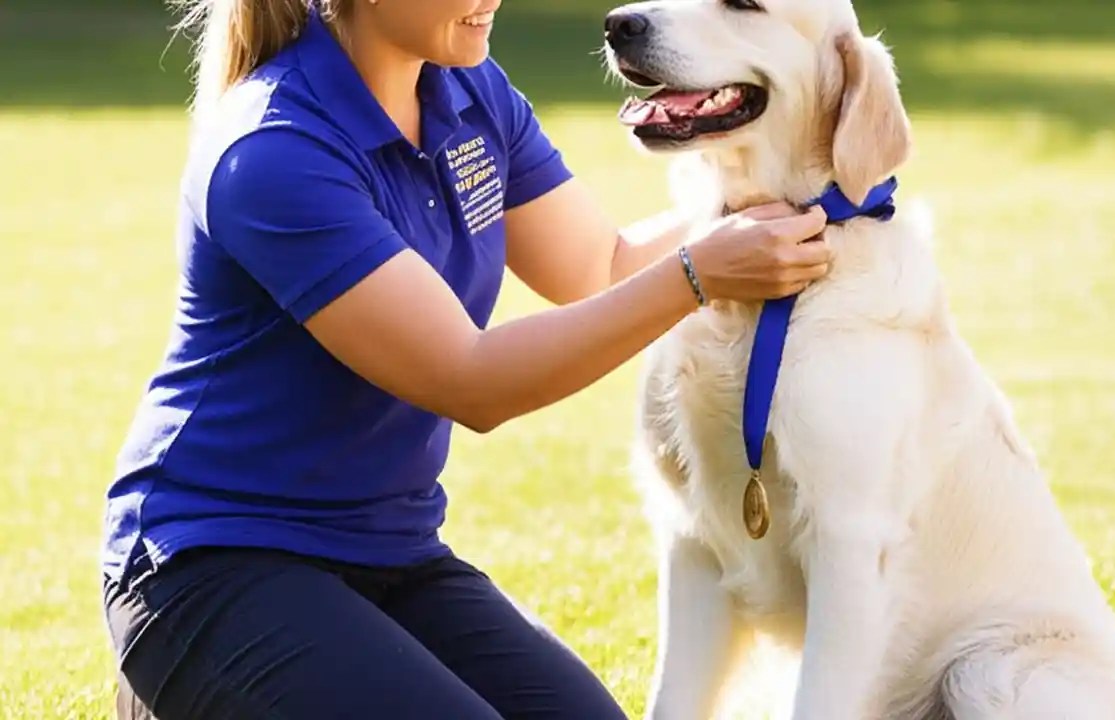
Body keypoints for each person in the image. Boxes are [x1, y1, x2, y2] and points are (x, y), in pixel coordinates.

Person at [100, 0, 831, 717]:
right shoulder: (273, 150)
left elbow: (600, 265)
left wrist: (788, 199)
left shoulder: (466, 90)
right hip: (211, 567)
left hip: (394, 555)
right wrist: (700, 275)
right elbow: (470, 380)